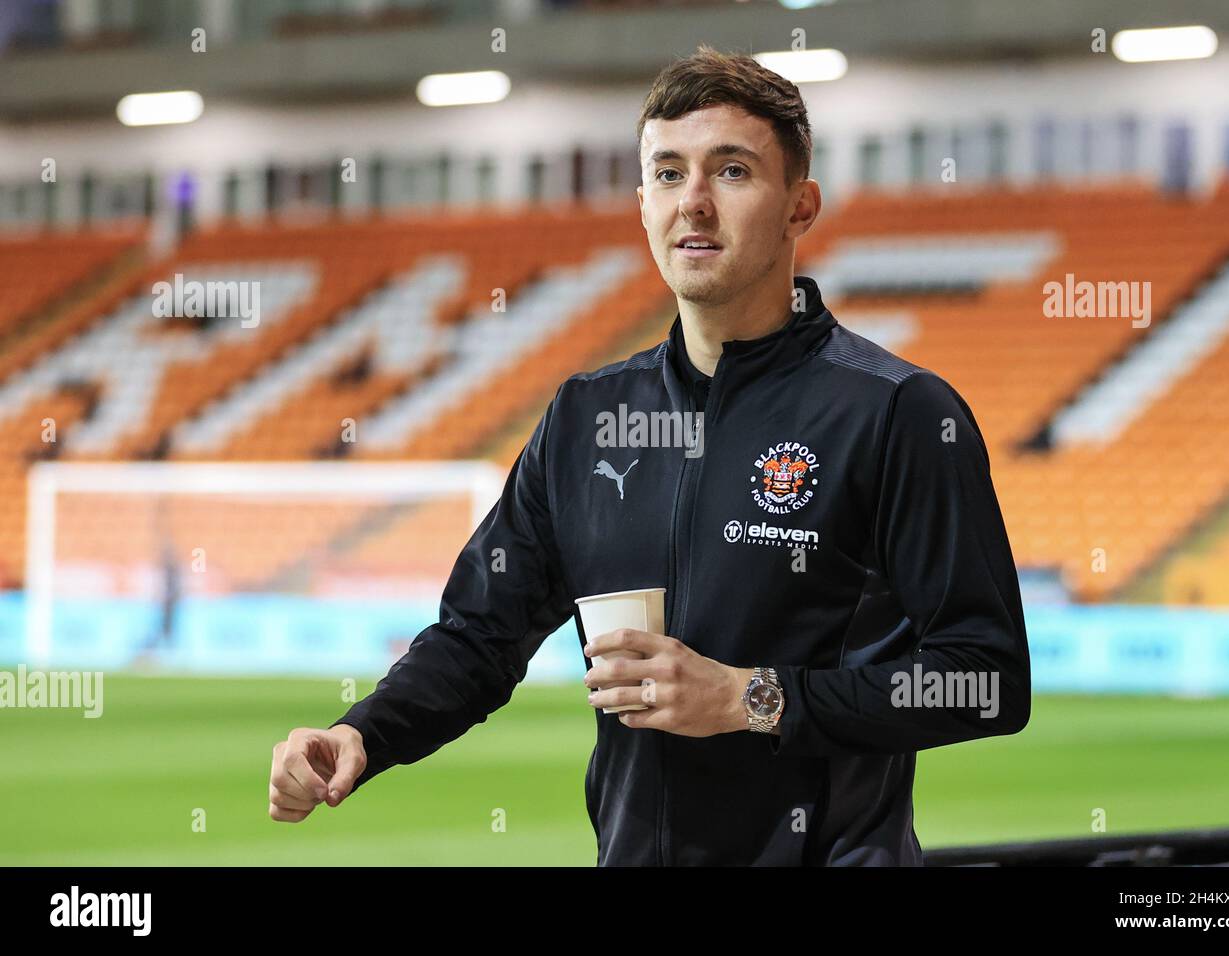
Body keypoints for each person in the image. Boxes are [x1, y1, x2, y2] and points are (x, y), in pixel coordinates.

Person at [269, 44, 1031, 866]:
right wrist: (361, 733)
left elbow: (985, 679)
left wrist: (755, 699)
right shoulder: (587, 415)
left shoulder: (895, 412)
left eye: (731, 172)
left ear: (800, 206)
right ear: (641, 204)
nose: (693, 204)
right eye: (668, 175)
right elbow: (479, 635)